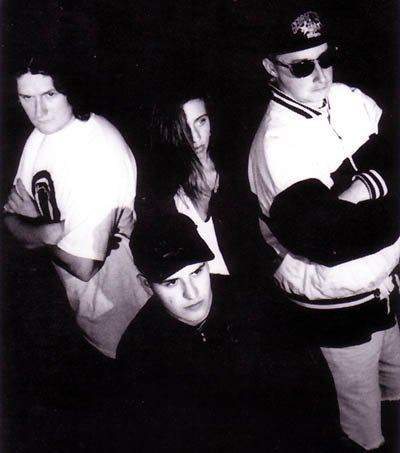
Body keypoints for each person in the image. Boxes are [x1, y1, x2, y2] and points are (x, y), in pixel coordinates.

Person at [248, 4, 400, 451]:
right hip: (336, 310)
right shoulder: (276, 144)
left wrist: (356, 190)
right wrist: (379, 178)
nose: (320, 76)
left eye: (326, 58)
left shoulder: (349, 99)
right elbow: (332, 240)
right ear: (270, 68)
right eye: (301, 66)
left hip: (386, 290)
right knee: (361, 430)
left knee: (397, 394)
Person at [116, 213, 353, 453]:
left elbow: (315, 390)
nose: (192, 293)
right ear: (146, 285)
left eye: (197, 272)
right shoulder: (139, 350)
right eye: (171, 282)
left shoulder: (258, 300)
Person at [3, 50, 148, 359]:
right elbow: (10, 220)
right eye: (26, 98)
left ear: (69, 89)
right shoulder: (40, 137)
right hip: (85, 315)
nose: (39, 111)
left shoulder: (98, 150)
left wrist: (36, 228)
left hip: (131, 318)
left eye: (50, 95)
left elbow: (84, 266)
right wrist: (50, 230)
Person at [140, 78, 276, 289]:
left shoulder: (236, 171)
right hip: (199, 295)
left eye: (201, 121)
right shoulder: (160, 191)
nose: (195, 137)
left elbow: (263, 239)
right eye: (184, 127)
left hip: (248, 291)